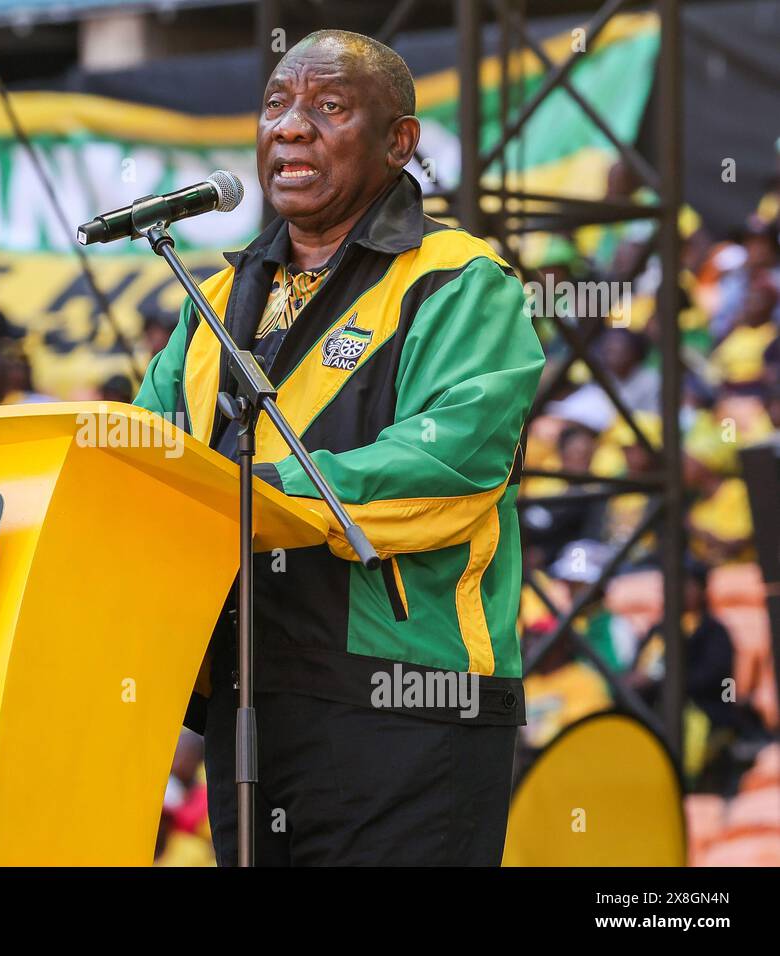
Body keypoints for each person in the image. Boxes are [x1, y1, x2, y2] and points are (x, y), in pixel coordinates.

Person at [134, 30, 545, 865]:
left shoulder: (456, 279)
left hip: (410, 705)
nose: (289, 128)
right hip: (253, 703)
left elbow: (450, 463)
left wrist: (257, 493)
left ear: (400, 142)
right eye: (277, 105)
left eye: (327, 107)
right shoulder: (213, 299)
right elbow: (143, 471)